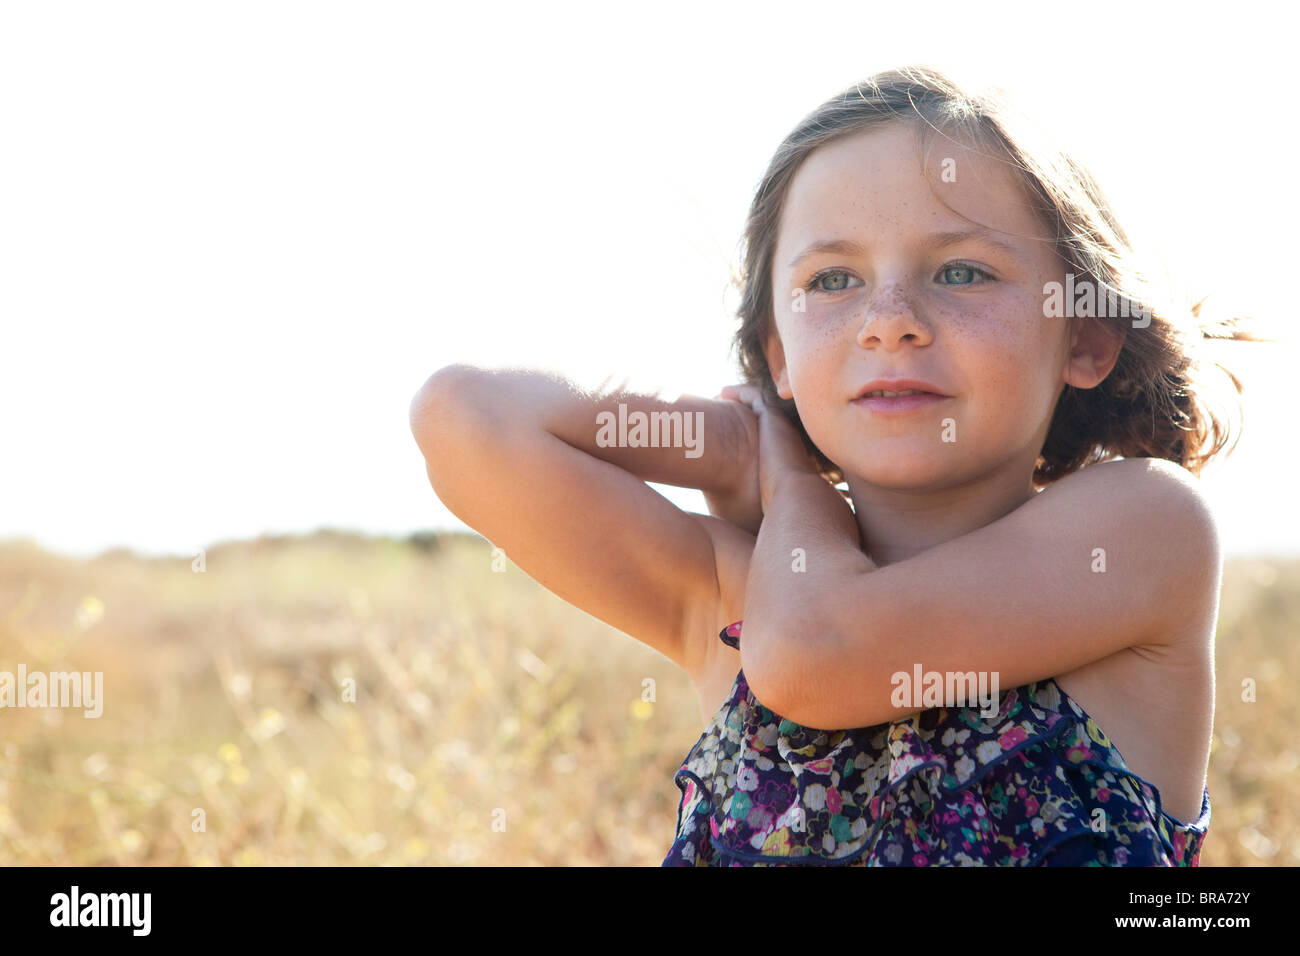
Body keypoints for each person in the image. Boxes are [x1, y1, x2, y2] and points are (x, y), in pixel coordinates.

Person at [410, 65, 1264, 866]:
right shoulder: (737, 592)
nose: (888, 321)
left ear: (1084, 334)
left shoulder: (1141, 529)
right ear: (777, 357)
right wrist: (740, 438)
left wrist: (791, 483)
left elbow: (814, 651)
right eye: (831, 280)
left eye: (962, 271)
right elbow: (466, 420)